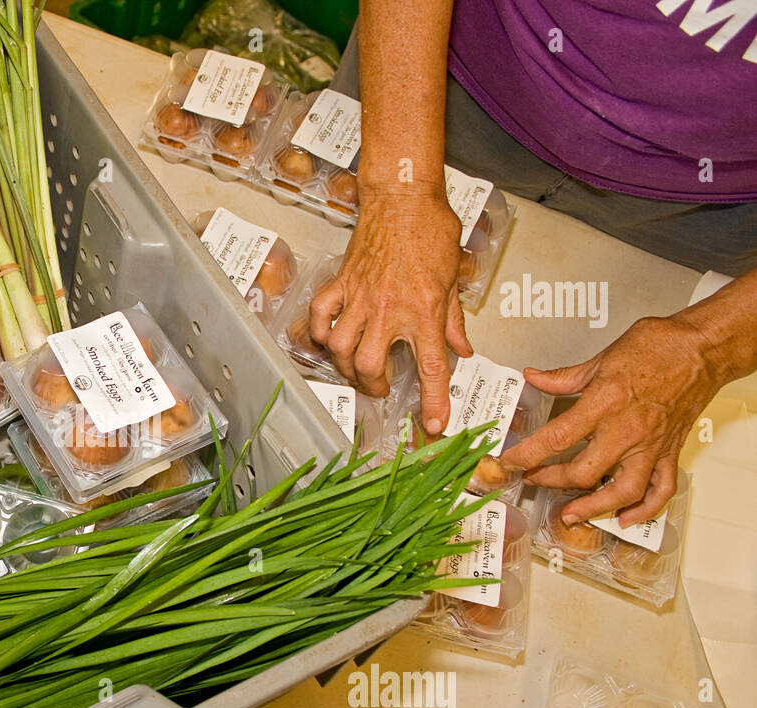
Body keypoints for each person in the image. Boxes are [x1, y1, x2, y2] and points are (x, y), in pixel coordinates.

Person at [311, 0, 757, 527]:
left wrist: (711, 346)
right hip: (448, 78)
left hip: (701, 210)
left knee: (585, 431)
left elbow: (703, 347)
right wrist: (400, 190)